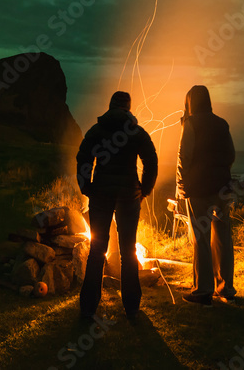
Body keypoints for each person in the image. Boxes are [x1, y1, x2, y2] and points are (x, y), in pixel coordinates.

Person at [76, 91, 157, 320]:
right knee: (128, 251)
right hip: (129, 196)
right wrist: (144, 190)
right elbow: (151, 160)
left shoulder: (96, 130)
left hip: (101, 193)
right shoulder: (137, 132)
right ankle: (131, 307)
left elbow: (83, 158)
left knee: (97, 250)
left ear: (110, 106)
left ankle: (88, 308)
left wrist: (87, 187)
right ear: (128, 108)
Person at [175, 85, 237, 305]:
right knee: (222, 237)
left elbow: (184, 156)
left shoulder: (191, 123)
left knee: (200, 238)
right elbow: (231, 154)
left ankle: (202, 291)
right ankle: (225, 288)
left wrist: (182, 185)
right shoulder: (222, 123)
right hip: (222, 187)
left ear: (190, 101)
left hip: (198, 188)